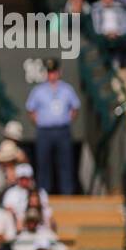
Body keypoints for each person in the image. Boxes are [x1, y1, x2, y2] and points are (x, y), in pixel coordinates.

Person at [24, 59, 80, 194]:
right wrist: (39, 122)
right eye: (50, 72)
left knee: (65, 163)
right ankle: (43, 193)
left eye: (54, 72)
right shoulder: (38, 90)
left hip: (62, 130)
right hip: (45, 131)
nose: (52, 75)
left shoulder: (67, 89)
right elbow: (31, 109)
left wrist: (66, 120)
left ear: (59, 72)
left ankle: (67, 193)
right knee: (43, 163)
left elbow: (75, 107)